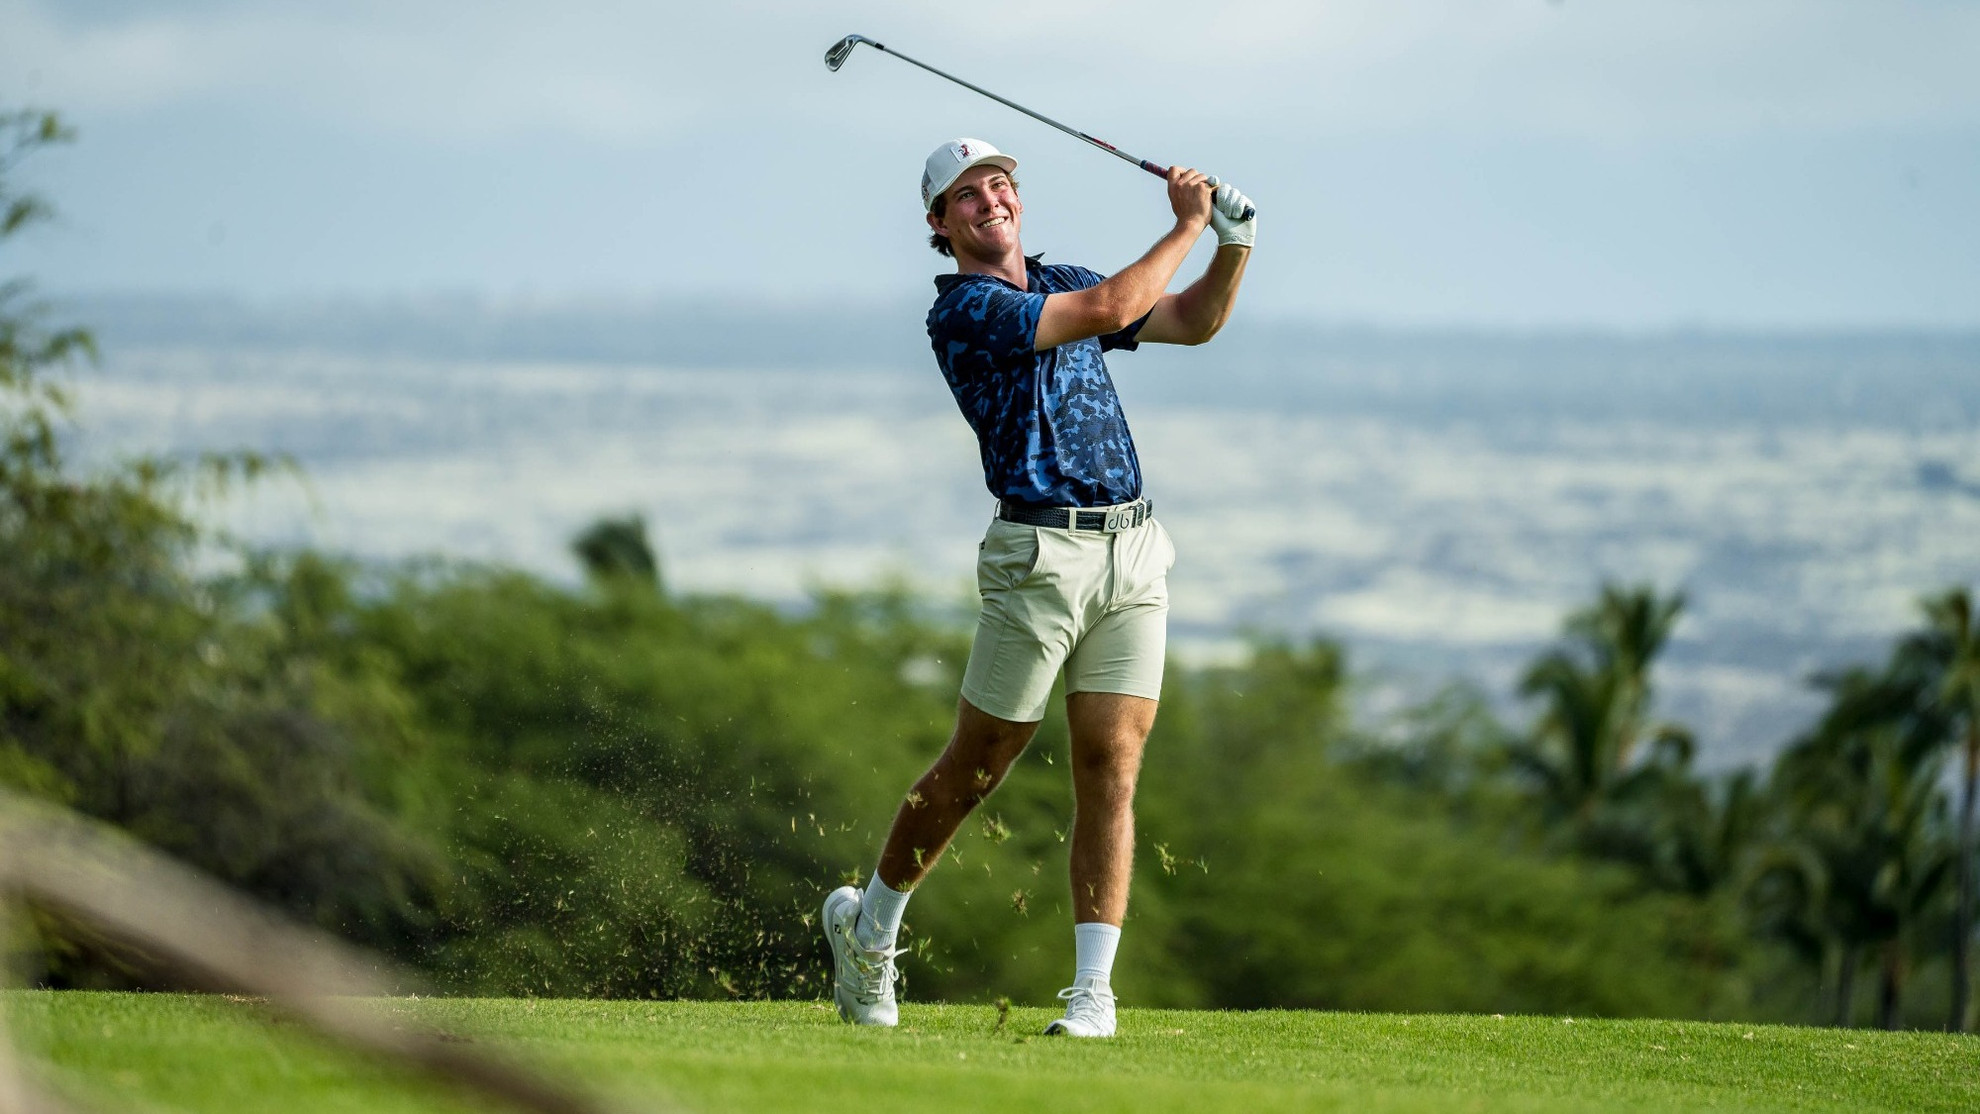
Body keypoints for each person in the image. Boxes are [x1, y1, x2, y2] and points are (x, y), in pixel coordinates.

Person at [822, 138, 1254, 1037]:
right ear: (940, 225)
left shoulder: (1064, 276)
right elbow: (1110, 307)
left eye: (1000, 185)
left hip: (1134, 552)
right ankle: (870, 929)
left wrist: (1232, 245)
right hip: (1037, 560)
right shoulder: (966, 310)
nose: (990, 201)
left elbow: (1192, 322)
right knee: (976, 769)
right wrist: (1184, 223)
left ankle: (1093, 995)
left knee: (1112, 768)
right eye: (966, 196)